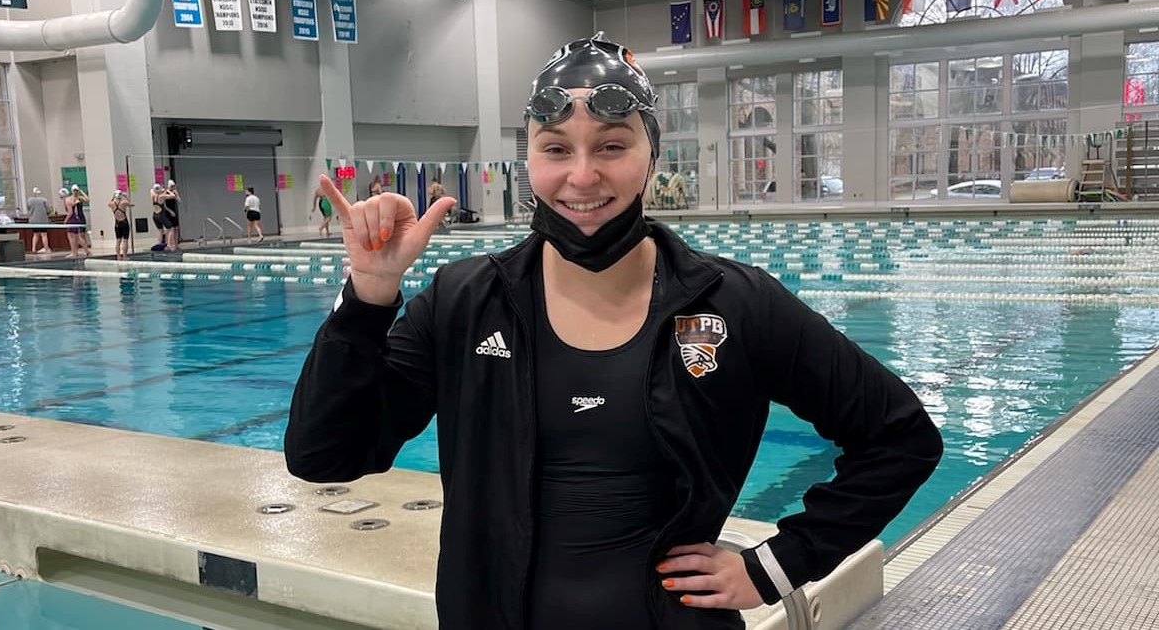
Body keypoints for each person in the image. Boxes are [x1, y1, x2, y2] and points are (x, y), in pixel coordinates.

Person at [285, 33, 942, 630]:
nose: (582, 175)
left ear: (651, 153)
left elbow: (901, 436)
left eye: (612, 145)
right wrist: (368, 299)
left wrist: (774, 565)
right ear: (530, 161)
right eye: (556, 150)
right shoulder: (465, 302)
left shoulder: (734, 305)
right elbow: (325, 456)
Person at [63, 186, 91, 258]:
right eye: (74, 190)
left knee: (75, 237)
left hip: (75, 218)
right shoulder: (74, 199)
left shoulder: (73, 199)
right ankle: (82, 251)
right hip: (77, 218)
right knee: (78, 237)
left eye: (76, 190)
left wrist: (65, 220)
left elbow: (88, 199)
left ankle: (75, 252)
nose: (76, 192)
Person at [25, 187, 52, 254]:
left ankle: (33, 249)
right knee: (44, 235)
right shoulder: (44, 200)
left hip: (33, 220)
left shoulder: (29, 200)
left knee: (35, 235)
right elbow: (48, 210)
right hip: (43, 220)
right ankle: (46, 248)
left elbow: (28, 209)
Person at [109, 189, 133, 260]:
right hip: (124, 223)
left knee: (118, 240)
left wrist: (113, 197)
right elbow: (132, 204)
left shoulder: (111, 204)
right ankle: (125, 256)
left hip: (117, 224)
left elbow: (110, 202)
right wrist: (126, 197)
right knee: (125, 240)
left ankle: (118, 256)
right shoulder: (124, 202)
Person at [150, 184, 173, 251]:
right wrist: (168, 191)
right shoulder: (162, 196)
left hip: (155, 215)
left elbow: (151, 190)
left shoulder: (152, 195)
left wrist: (160, 190)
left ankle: (159, 245)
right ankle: (168, 245)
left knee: (160, 231)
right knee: (170, 228)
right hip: (161, 215)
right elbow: (172, 196)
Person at [164, 180, 182, 251]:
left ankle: (176, 245)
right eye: (172, 186)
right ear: (169, 186)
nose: (173, 187)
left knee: (176, 228)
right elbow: (164, 205)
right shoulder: (166, 192)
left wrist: (176, 195)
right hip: (168, 212)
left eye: (174, 186)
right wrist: (170, 211)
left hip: (174, 212)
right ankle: (169, 244)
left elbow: (179, 201)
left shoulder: (174, 192)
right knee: (169, 229)